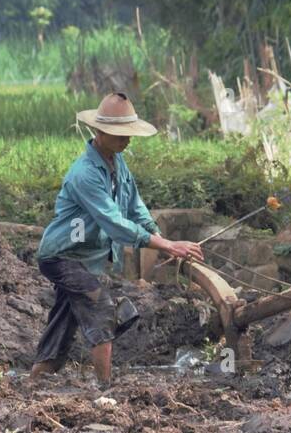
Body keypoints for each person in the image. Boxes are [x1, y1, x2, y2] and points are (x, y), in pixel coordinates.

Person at [28, 92, 203, 388]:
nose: (127, 140)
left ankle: (36, 380)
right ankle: (105, 389)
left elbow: (135, 207)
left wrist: (160, 237)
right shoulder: (85, 174)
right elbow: (115, 223)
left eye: (128, 134)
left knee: (64, 322)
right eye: (120, 135)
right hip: (63, 256)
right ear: (100, 132)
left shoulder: (118, 163)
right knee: (101, 307)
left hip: (85, 260)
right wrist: (169, 246)